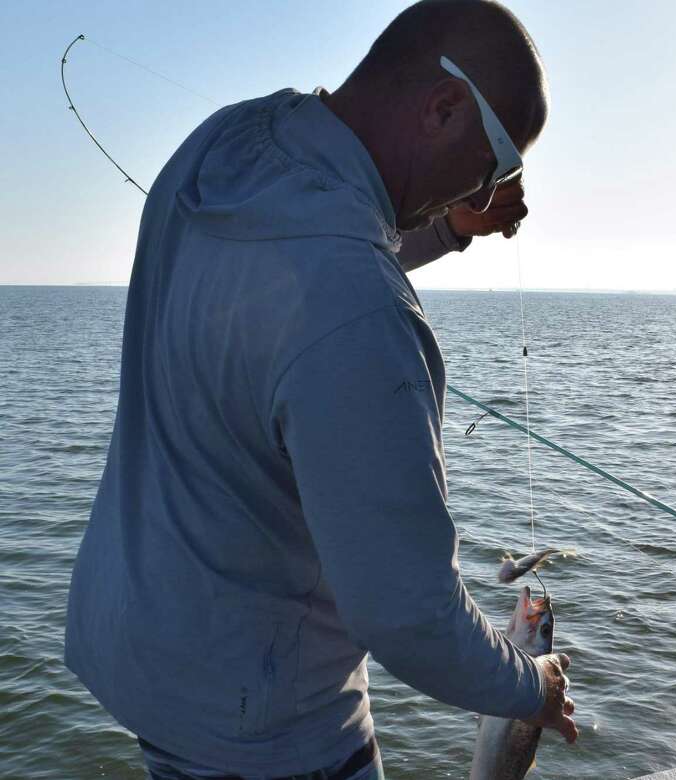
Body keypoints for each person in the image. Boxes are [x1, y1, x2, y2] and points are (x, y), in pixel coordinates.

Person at [63, 2, 577, 778]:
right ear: (443, 108)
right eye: (492, 163)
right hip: (271, 734)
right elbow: (410, 617)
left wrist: (449, 227)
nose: (487, 186)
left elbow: (305, 270)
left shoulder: (222, 144)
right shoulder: (364, 315)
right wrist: (529, 683)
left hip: (147, 667)